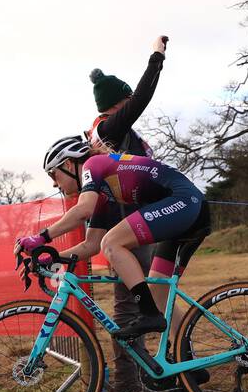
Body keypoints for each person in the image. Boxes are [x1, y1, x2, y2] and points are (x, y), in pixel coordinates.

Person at [21, 137, 210, 345]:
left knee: (111, 243)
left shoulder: (92, 165)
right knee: (159, 293)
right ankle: (188, 364)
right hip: (190, 210)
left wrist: (41, 237)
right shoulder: (101, 191)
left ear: (67, 164)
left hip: (184, 203)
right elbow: (90, 245)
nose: (54, 183)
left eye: (53, 174)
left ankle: (149, 315)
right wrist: (51, 259)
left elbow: (83, 212)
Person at [86, 35, 168, 392]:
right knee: (129, 306)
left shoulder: (119, 133)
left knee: (144, 303)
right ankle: (129, 381)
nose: (131, 104)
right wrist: (156, 58)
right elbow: (141, 99)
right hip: (129, 229)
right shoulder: (109, 129)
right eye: (126, 100)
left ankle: (145, 376)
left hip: (143, 224)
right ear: (117, 104)